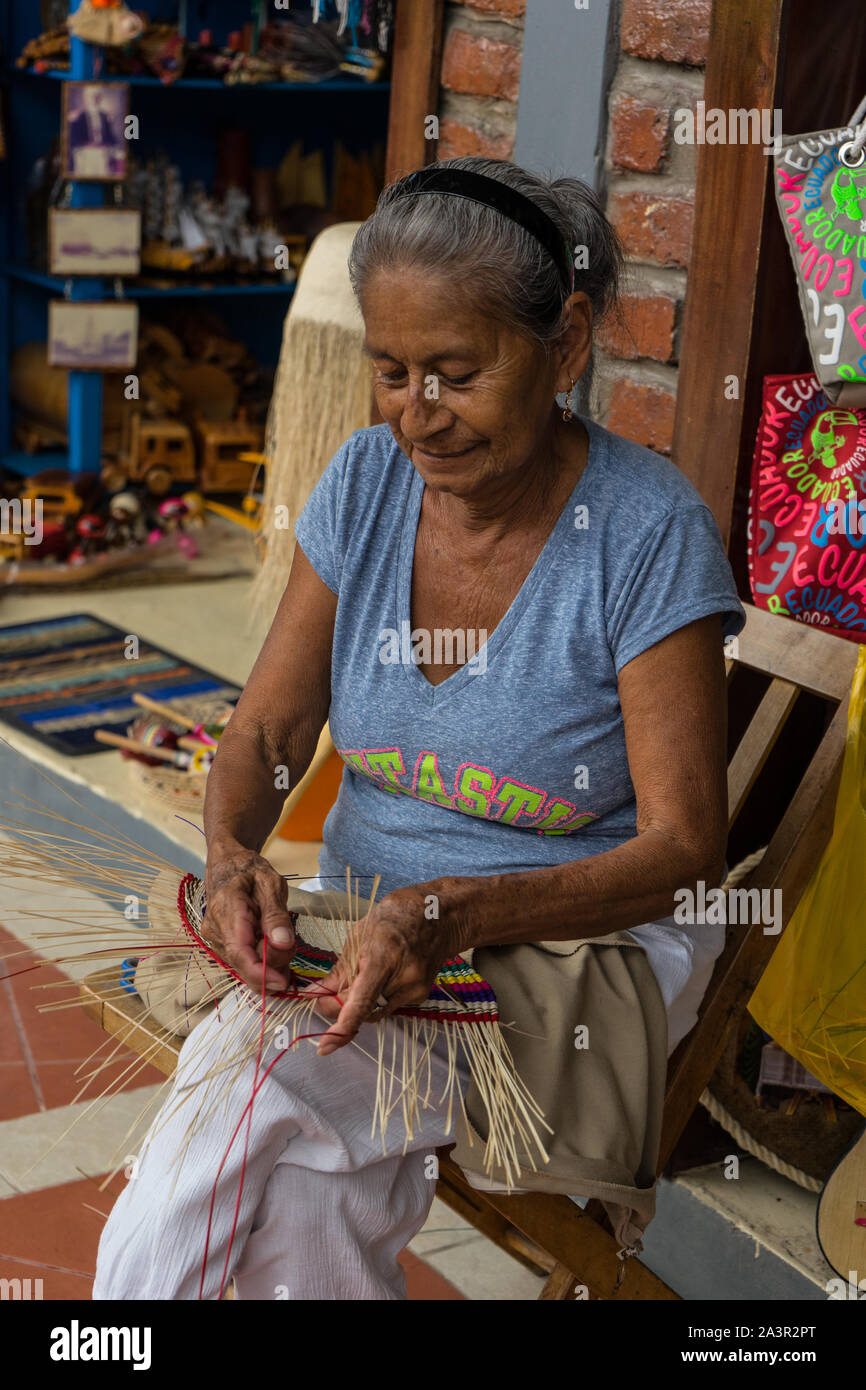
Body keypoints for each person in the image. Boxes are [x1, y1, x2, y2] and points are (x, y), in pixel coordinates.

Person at [94, 156, 746, 1300]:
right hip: (375, 933)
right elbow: (266, 730)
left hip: (573, 959)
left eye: (455, 372)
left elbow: (685, 848)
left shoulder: (644, 533)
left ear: (568, 342)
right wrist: (234, 855)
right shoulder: (365, 482)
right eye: (389, 371)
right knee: (306, 1183)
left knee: (255, 1081)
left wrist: (452, 910)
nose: (417, 415)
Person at [66, 86, 123, 179]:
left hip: (103, 151)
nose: (94, 99)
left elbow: (110, 136)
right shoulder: (79, 116)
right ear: (86, 98)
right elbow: (74, 139)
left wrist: (114, 146)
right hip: (85, 151)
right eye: (91, 96)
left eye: (96, 96)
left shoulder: (104, 116)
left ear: (100, 98)